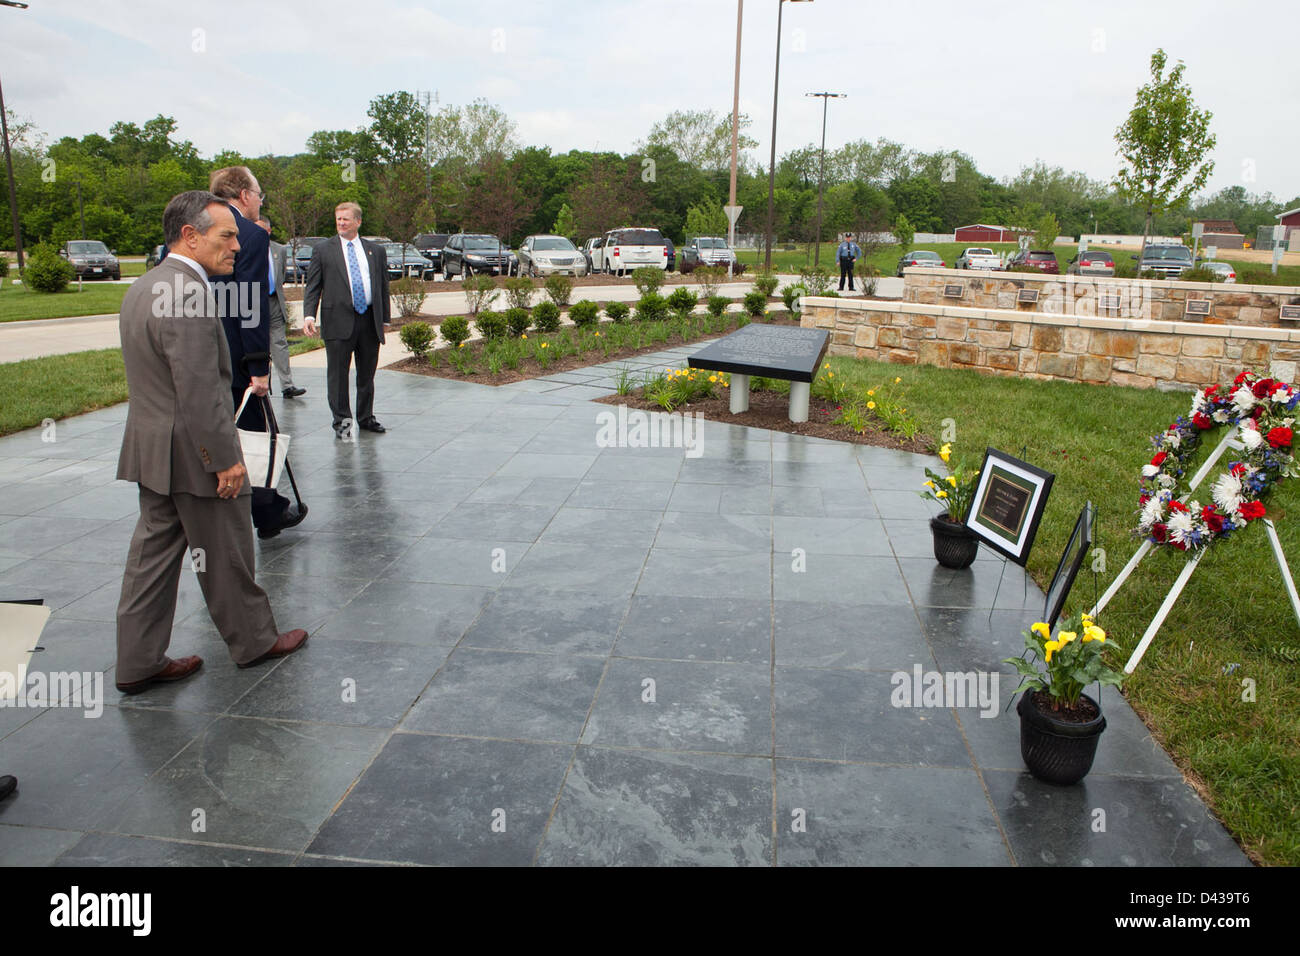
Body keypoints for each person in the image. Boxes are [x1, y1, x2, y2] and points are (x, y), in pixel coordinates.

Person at [113, 190, 309, 694]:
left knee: (150, 563)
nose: (236, 247)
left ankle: (138, 663)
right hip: (197, 457)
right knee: (227, 554)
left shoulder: (146, 286)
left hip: (154, 453)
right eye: (226, 236)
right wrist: (225, 460)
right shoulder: (187, 294)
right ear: (190, 236)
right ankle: (255, 642)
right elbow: (198, 388)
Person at [209, 166, 305, 537]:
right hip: (237, 359)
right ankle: (266, 512)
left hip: (206, 352)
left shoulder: (199, 229)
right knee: (253, 434)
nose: (261, 200)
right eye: (259, 194)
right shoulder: (246, 234)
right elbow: (249, 303)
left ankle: (261, 508)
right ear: (244, 195)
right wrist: (258, 366)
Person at [302, 201, 390, 437]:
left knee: (366, 374)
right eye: (338, 219)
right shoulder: (323, 250)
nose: (341, 223)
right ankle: (342, 420)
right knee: (338, 375)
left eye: (346, 219)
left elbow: (382, 286)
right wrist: (309, 314)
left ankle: (366, 417)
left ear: (358, 221)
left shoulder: (376, 250)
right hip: (337, 320)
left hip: (369, 320)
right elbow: (313, 286)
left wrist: (385, 319)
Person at [256, 214, 305, 398]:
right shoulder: (247, 248)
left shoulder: (279, 250)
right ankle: (259, 383)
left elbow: (281, 275)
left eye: (262, 230)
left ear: (268, 231)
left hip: (274, 300)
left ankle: (287, 385)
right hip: (254, 303)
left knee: (280, 343)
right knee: (257, 344)